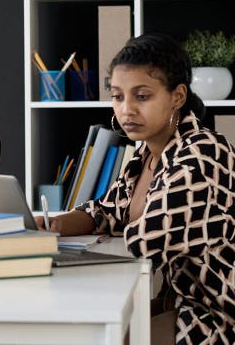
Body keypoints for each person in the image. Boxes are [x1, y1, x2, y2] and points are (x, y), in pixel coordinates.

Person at [37, 33, 235, 344]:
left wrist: (61, 256)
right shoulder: (145, 155)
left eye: (142, 96)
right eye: (117, 96)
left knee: (94, 336)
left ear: (178, 96)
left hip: (216, 315)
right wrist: (53, 225)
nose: (126, 109)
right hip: (181, 301)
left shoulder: (202, 152)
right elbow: (106, 210)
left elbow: (147, 238)